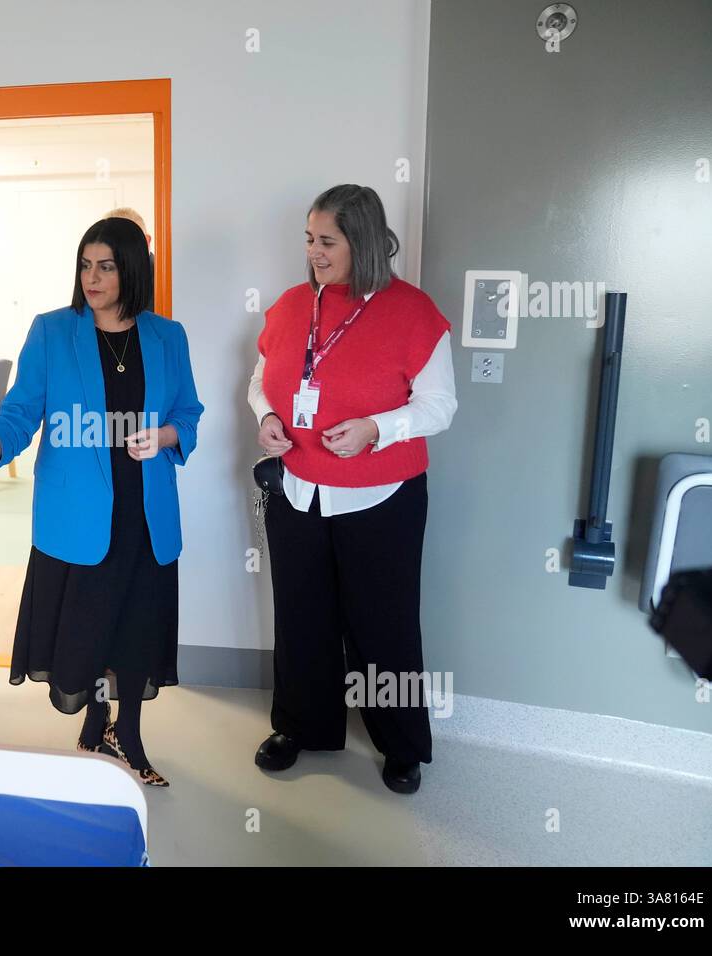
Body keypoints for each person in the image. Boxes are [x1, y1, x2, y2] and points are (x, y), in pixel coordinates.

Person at [0, 217, 203, 787]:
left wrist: (166, 436)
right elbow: (23, 411)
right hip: (79, 517)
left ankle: (130, 734)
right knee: (90, 628)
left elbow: (188, 413)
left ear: (133, 271)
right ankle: (95, 726)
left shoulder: (167, 336)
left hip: (145, 514)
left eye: (107, 266)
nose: (92, 277)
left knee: (136, 627)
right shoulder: (52, 332)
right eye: (85, 264)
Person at [246, 184, 457, 794]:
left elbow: (441, 406)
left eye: (326, 240)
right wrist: (266, 418)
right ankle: (300, 726)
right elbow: (261, 379)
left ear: (361, 241)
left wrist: (378, 428)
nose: (313, 251)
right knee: (302, 615)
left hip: (381, 497)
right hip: (297, 490)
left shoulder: (413, 312)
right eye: (309, 239)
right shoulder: (290, 306)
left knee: (384, 625)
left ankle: (400, 745)